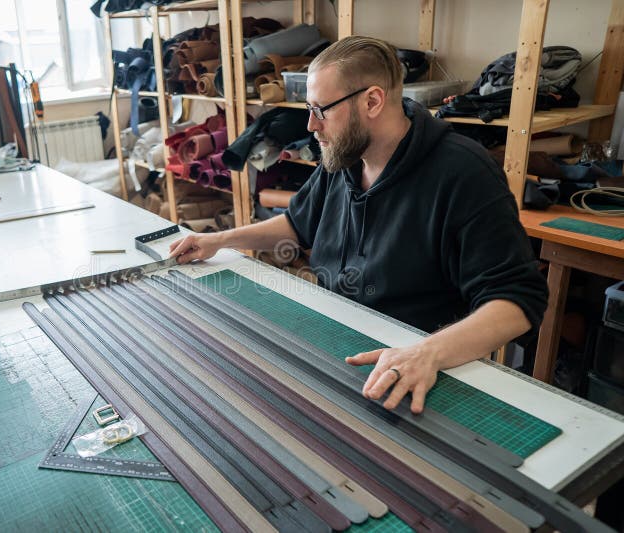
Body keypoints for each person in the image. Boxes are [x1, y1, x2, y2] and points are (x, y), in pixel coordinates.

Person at [168, 36, 548, 414]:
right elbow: (299, 224)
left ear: (372, 101)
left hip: (420, 360)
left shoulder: (463, 172)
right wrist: (218, 240)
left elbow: (517, 300)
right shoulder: (344, 157)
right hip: (340, 335)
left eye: (321, 109)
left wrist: (427, 353)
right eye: (308, 108)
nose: (311, 124)